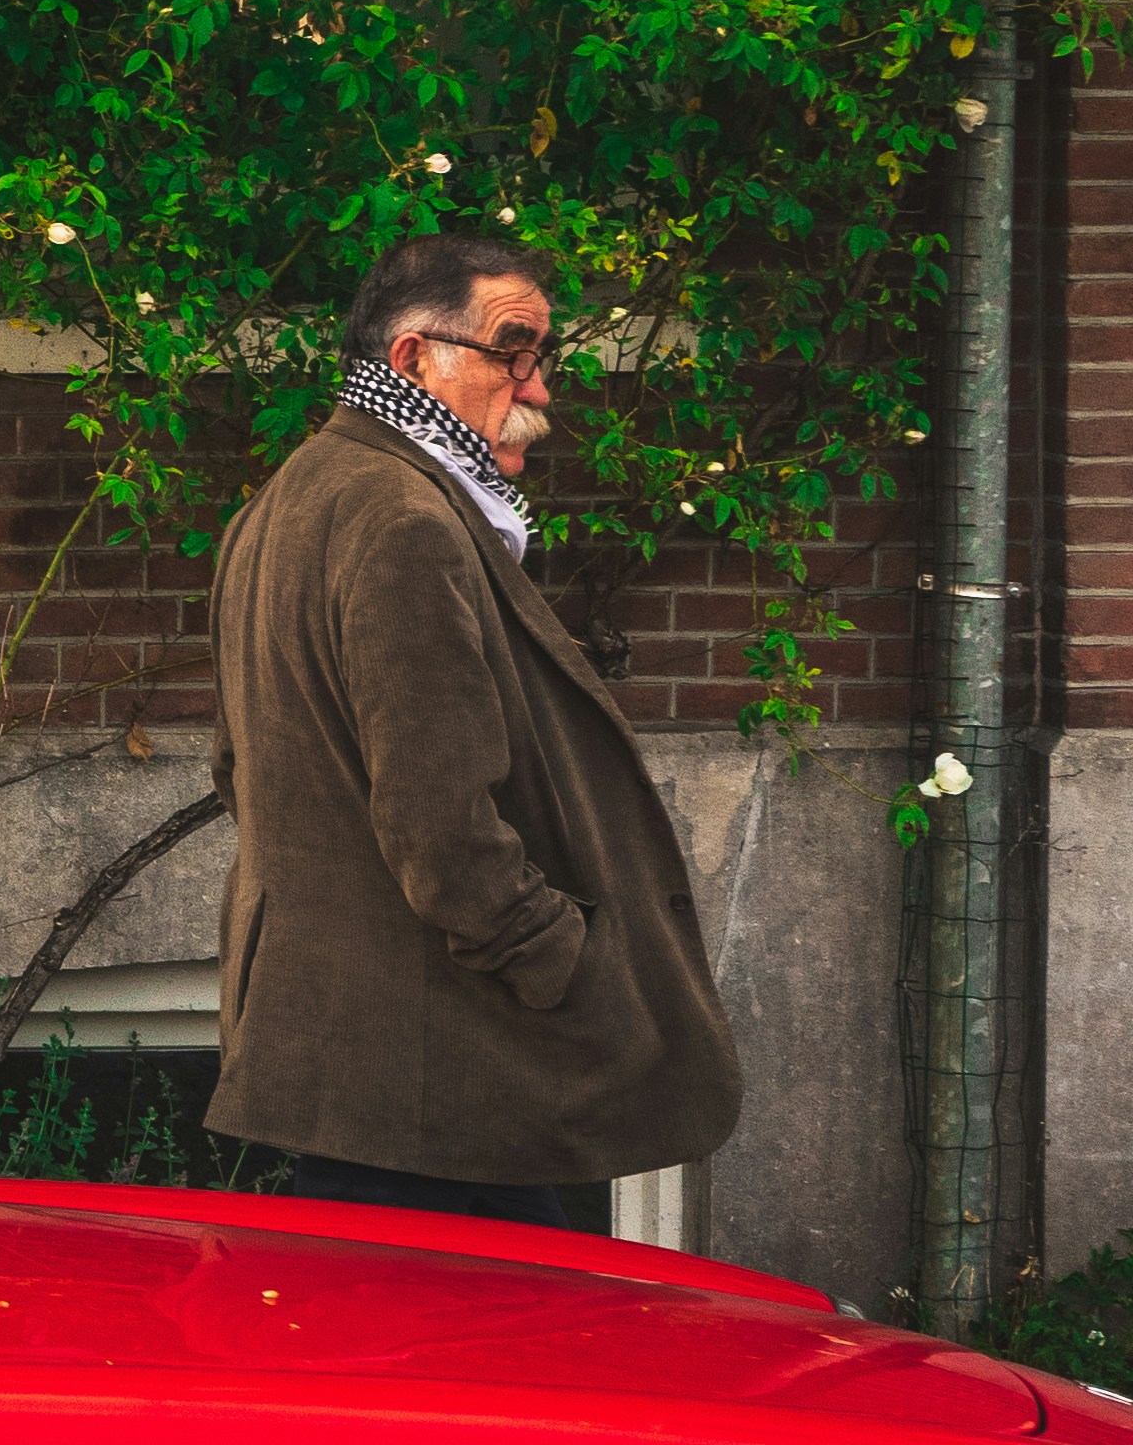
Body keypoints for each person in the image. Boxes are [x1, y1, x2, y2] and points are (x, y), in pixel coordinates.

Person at [207, 231, 737, 1229]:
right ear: (411, 357)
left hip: (347, 1052)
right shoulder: (403, 517)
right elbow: (439, 825)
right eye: (512, 348)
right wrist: (562, 961)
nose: (535, 386)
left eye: (539, 354)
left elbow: (238, 768)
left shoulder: (286, 500)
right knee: (491, 1352)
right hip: (432, 1067)